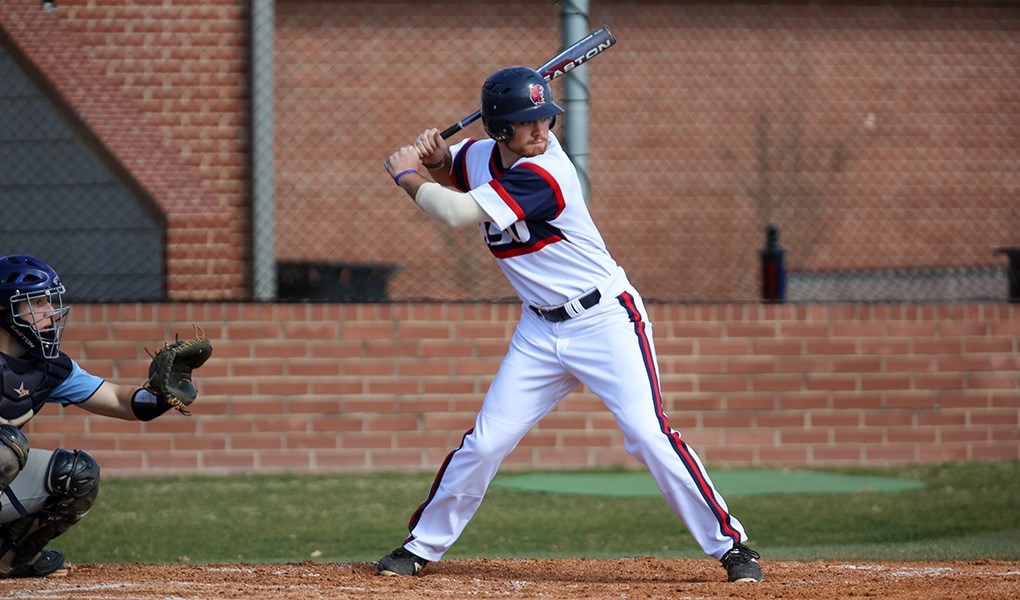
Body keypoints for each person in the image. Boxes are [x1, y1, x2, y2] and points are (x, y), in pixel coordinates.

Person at [379, 66, 763, 583]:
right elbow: (459, 173)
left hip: (604, 320)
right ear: (499, 130)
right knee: (487, 442)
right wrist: (440, 159)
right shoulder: (479, 155)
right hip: (539, 331)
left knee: (649, 435)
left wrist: (407, 173)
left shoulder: (547, 172)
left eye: (545, 119)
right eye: (528, 122)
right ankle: (420, 546)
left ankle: (731, 547)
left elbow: (455, 212)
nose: (541, 131)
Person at [0, 254, 210, 578]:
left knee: (78, 475)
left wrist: (159, 396)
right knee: (7, 445)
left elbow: (118, 400)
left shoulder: (49, 367)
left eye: (49, 301)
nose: (50, 313)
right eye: (36, 302)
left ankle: (10, 561)